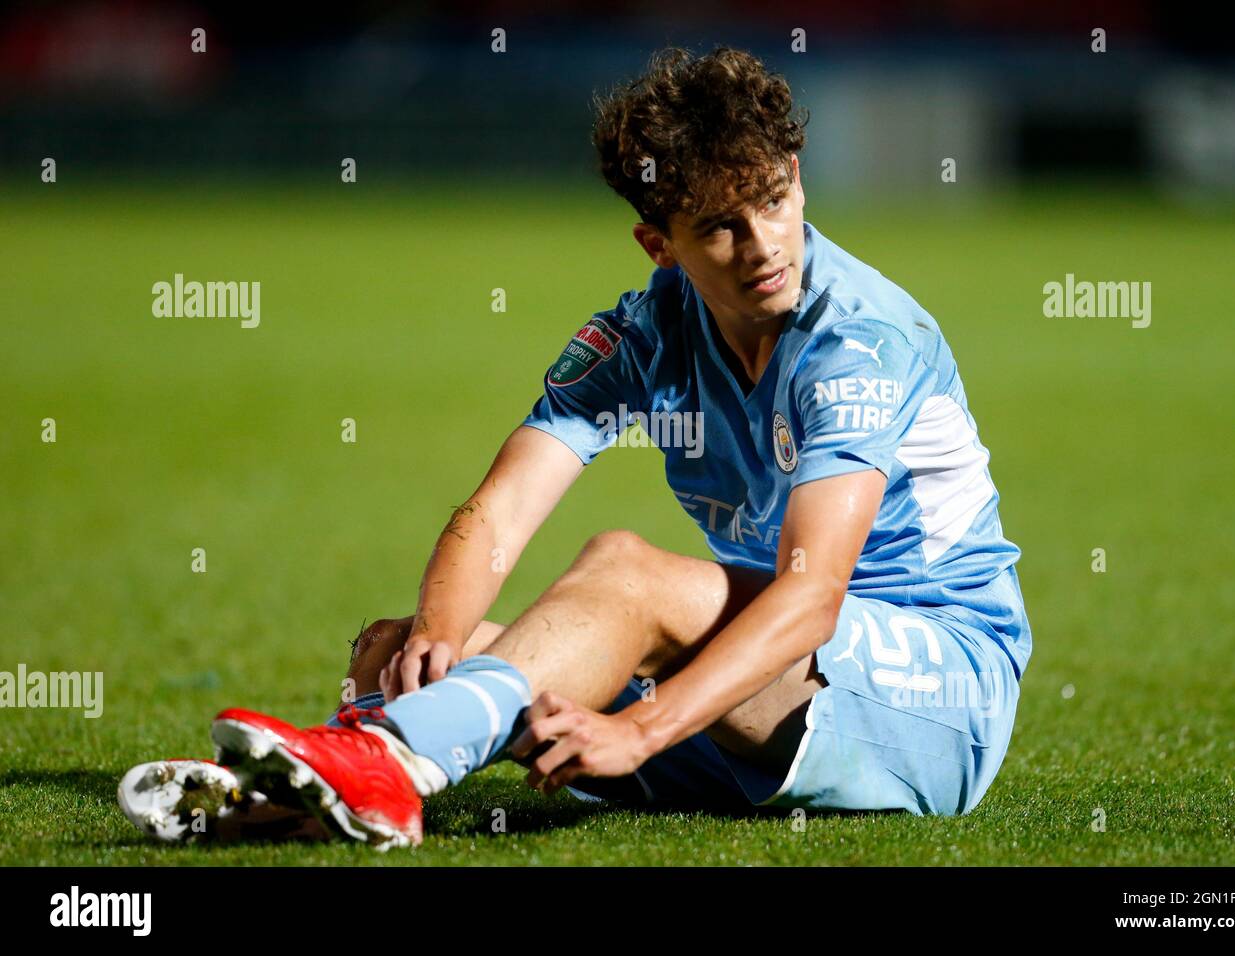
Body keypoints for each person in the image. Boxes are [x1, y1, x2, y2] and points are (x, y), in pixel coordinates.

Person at [118, 45, 1031, 850]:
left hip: (935, 696)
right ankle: (304, 799)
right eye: (719, 225)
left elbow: (812, 595)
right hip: (765, 701)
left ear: (796, 174)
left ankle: (381, 760)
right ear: (657, 244)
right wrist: (433, 640)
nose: (762, 245)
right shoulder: (644, 335)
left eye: (775, 200)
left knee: (623, 575)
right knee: (398, 650)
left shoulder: (857, 341)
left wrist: (645, 728)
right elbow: (504, 507)